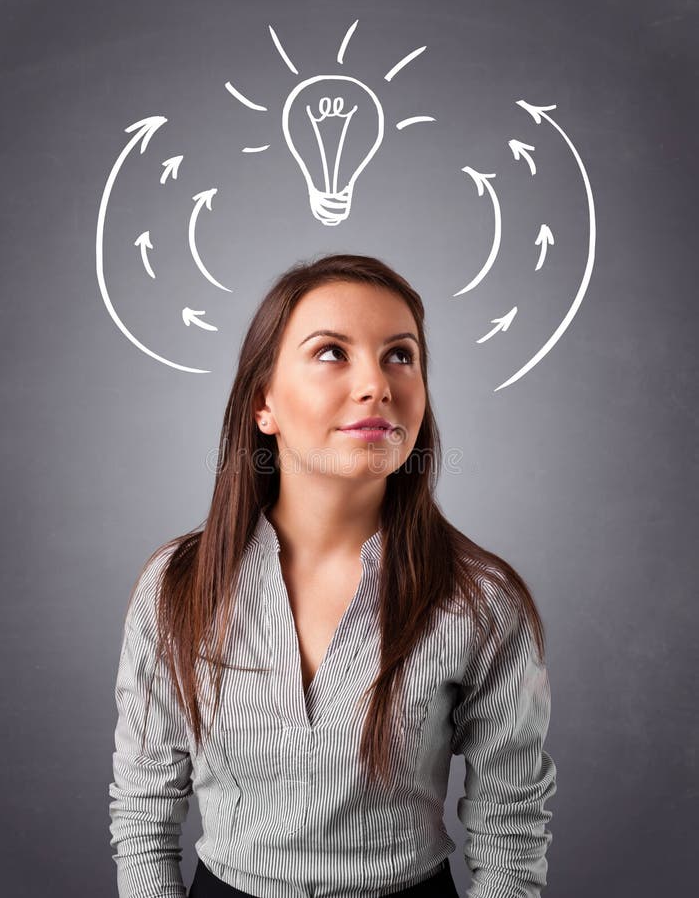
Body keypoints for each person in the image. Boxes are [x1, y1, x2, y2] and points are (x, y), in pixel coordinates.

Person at [108, 253, 557, 898]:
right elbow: (144, 812)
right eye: (331, 353)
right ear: (263, 402)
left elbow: (512, 830)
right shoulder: (178, 583)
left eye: (400, 355)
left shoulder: (481, 599)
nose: (377, 384)